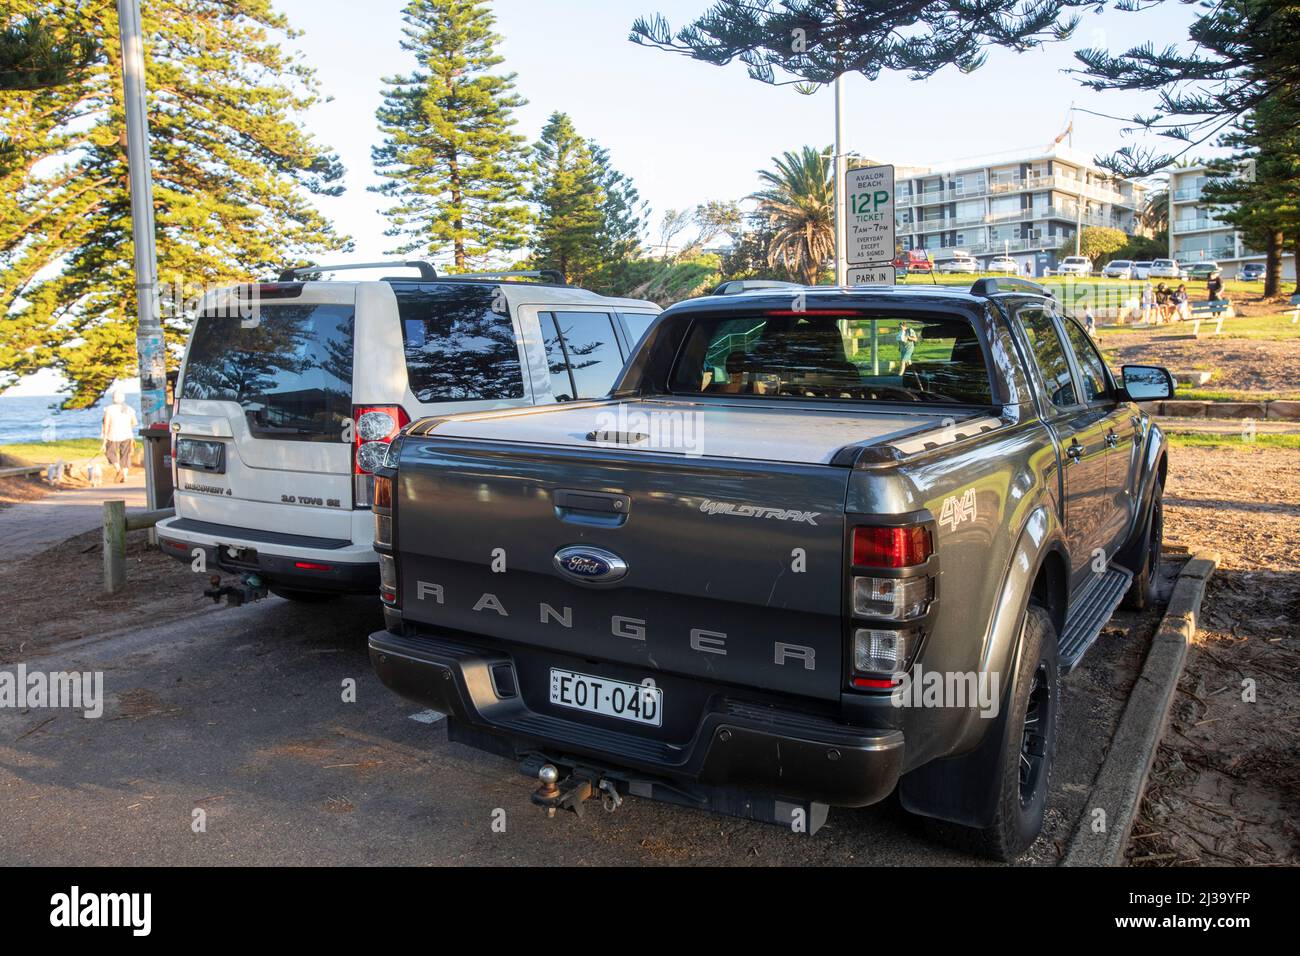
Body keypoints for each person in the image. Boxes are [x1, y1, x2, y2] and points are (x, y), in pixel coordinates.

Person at [101, 388, 138, 484]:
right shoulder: (129, 409)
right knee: (125, 455)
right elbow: (135, 422)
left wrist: (104, 438)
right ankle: (124, 476)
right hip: (127, 435)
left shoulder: (109, 409)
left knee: (109, 452)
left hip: (112, 435)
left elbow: (106, 424)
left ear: (113, 398)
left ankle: (119, 470)